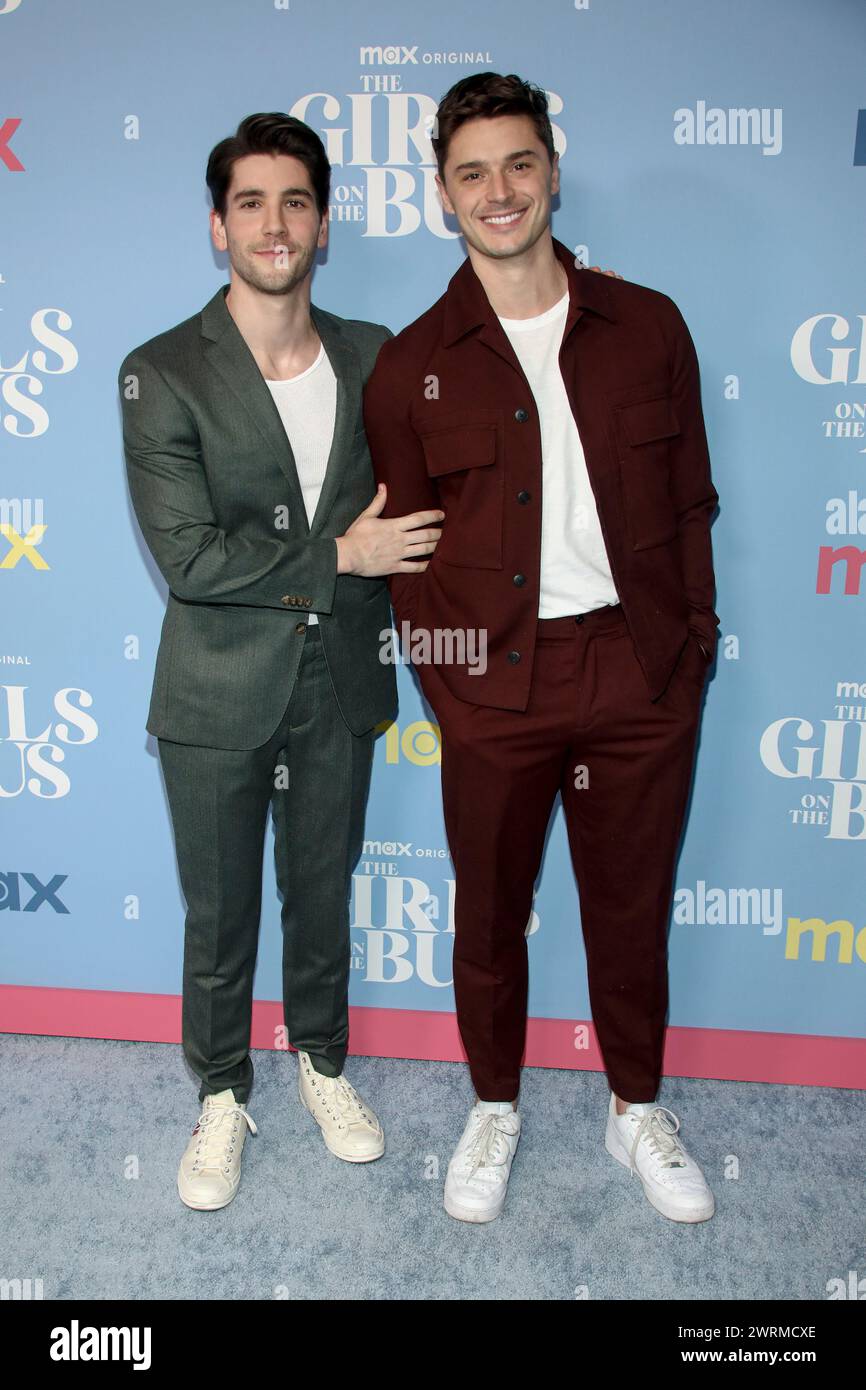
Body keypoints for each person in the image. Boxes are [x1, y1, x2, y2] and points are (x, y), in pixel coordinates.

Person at [363, 73, 721, 1225]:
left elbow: (688, 507)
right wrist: (452, 687)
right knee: (487, 910)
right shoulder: (407, 365)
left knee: (629, 901)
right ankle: (493, 1103)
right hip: (491, 687)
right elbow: (407, 550)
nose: (498, 190)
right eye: (470, 172)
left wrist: (687, 650)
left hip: (636, 668)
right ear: (441, 196)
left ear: (552, 170)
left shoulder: (649, 326)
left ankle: (633, 1110)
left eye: (518, 163)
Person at [118, 112, 444, 1210]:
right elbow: (190, 556)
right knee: (219, 913)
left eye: (295, 200)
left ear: (322, 224)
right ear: (218, 226)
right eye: (250, 201)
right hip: (215, 688)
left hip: (339, 676)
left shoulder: (375, 353)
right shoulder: (160, 371)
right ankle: (219, 1093)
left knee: (320, 891)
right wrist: (337, 553)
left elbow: (423, 508)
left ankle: (323, 1063)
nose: (274, 221)